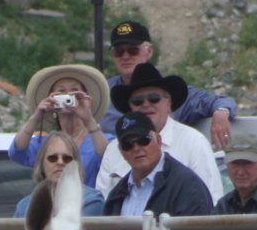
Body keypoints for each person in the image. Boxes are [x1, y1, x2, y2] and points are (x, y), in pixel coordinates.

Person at [95, 62, 224, 203]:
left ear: (169, 104)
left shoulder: (194, 142)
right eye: (138, 101)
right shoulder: (114, 149)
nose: (146, 104)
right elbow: (103, 204)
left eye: (154, 99)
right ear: (130, 108)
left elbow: (212, 200)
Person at [99, 19, 236, 148]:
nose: (125, 56)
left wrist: (220, 114)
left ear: (149, 51)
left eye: (132, 50)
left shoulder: (170, 91)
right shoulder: (101, 93)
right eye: (119, 51)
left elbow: (218, 101)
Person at [10, 63, 109, 182]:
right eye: (61, 92)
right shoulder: (45, 143)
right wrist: (36, 118)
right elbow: (17, 153)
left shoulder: (100, 140)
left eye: (75, 92)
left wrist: (88, 119)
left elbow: (108, 158)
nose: (68, 95)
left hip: (88, 194)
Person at [12, 131, 105, 220]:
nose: (60, 162)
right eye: (53, 158)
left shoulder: (92, 201)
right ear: (42, 165)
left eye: (67, 158)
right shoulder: (24, 207)